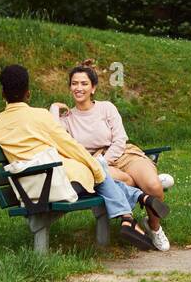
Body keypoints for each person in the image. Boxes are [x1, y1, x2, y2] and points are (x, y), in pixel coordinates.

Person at [0, 63, 164, 250]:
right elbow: (69, 145)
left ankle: (134, 207)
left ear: (2, 94)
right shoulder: (39, 116)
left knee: (98, 173)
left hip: (27, 186)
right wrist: (95, 166)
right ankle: (131, 209)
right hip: (57, 182)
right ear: (28, 93)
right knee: (95, 173)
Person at [51, 63, 173, 252]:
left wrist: (106, 159)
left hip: (122, 153)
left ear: (93, 88)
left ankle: (153, 227)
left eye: (84, 84)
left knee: (153, 186)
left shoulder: (106, 108)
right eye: (74, 84)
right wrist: (53, 109)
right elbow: (56, 137)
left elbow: (120, 138)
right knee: (127, 181)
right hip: (95, 162)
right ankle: (146, 189)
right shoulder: (67, 118)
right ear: (69, 87)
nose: (79, 88)